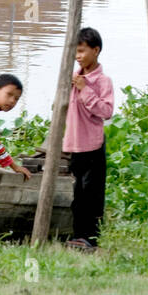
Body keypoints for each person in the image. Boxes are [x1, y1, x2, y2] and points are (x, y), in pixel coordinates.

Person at [64, 27, 114, 252]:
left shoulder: (102, 81)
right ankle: (78, 236)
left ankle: (91, 239)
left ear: (96, 50)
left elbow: (106, 111)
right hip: (74, 144)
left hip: (93, 145)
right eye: (75, 51)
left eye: (82, 51)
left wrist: (85, 90)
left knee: (92, 194)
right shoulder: (72, 77)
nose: (78, 55)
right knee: (77, 195)